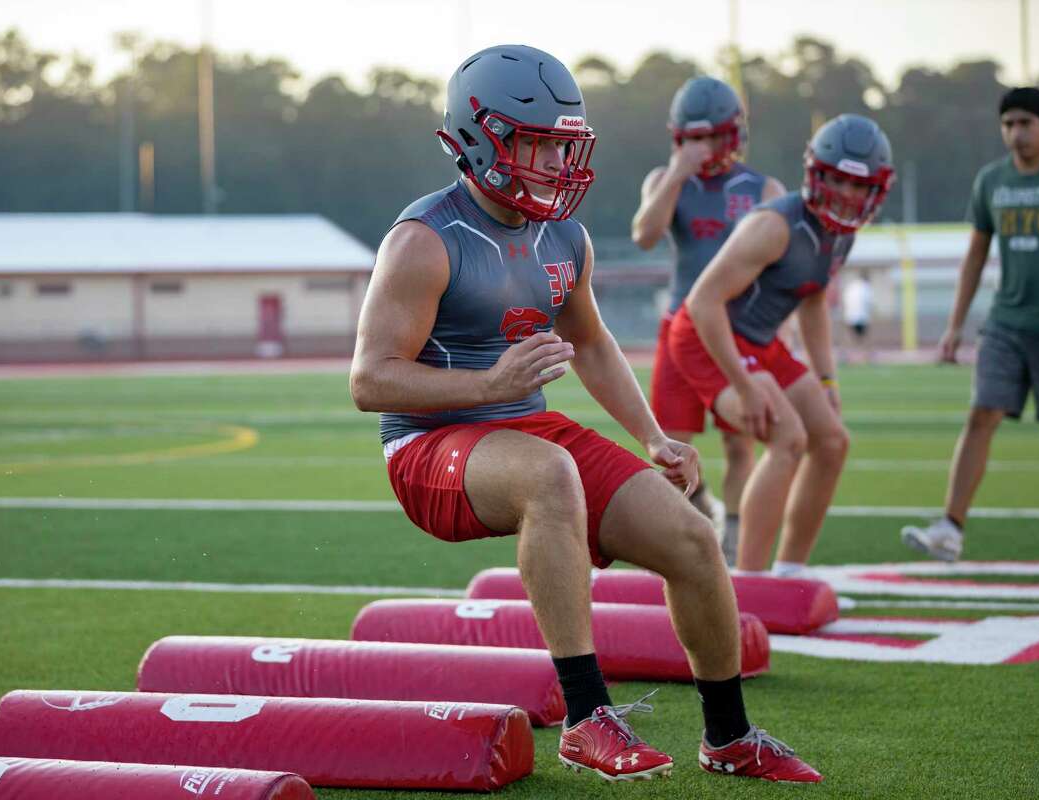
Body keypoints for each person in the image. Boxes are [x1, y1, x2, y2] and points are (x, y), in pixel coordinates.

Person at [350, 45, 820, 784]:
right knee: (552, 473)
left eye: (562, 145)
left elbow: (592, 344)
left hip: (527, 433)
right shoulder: (424, 240)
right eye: (535, 143)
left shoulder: (565, 232)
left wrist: (654, 437)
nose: (553, 163)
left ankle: (728, 737)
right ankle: (584, 716)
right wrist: (486, 385)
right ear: (478, 140)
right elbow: (369, 381)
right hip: (429, 445)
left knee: (693, 537)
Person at [669, 114, 894, 576]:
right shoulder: (774, 226)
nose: (848, 196)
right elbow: (702, 301)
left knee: (832, 441)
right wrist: (744, 383)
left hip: (759, 339)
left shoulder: (842, 235)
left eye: (859, 186)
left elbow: (810, 300)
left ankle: (790, 571)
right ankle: (748, 579)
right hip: (706, 334)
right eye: (837, 181)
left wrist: (826, 376)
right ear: (816, 173)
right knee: (788, 438)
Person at [901, 87, 1039, 565]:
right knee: (982, 415)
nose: (1016, 133)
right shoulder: (991, 181)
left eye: (1025, 123)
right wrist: (955, 324)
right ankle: (950, 528)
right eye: (1008, 124)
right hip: (1006, 321)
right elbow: (977, 254)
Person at [631, 76, 785, 565]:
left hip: (735, 328)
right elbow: (645, 236)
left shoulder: (762, 187)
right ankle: (700, 514)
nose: (703, 147)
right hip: (680, 325)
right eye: (693, 137)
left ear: (732, 134)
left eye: (711, 136)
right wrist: (677, 174)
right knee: (672, 448)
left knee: (740, 445)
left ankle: (735, 541)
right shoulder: (664, 179)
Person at [840, 269, 874, 363]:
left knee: (849, 336)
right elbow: (869, 303)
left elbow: (844, 300)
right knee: (865, 337)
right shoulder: (866, 287)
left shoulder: (851, 287)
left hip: (850, 315)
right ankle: (867, 355)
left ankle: (845, 355)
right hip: (862, 316)